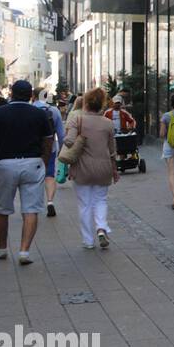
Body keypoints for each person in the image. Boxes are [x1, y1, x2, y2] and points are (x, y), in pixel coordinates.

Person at [0, 80, 55, 264]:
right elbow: (48, 140)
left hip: (4, 164)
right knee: (31, 209)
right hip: (32, 162)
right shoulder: (39, 114)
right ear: (31, 95)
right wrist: (44, 161)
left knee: (1, 209)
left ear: (11, 94)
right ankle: (24, 251)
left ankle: (2, 247)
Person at [64, 88, 119, 250]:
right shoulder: (108, 123)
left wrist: (70, 137)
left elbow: (69, 142)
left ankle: (88, 240)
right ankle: (101, 228)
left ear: (86, 103)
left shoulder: (78, 120)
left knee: (85, 204)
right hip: (103, 167)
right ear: (101, 104)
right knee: (100, 200)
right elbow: (112, 150)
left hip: (82, 168)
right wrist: (114, 169)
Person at [35, 89, 65, 218]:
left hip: (33, 149)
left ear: (33, 96)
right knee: (49, 175)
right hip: (50, 147)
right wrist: (63, 149)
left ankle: (34, 204)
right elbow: (61, 134)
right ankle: (50, 201)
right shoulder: (54, 110)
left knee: (34, 177)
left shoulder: (31, 108)